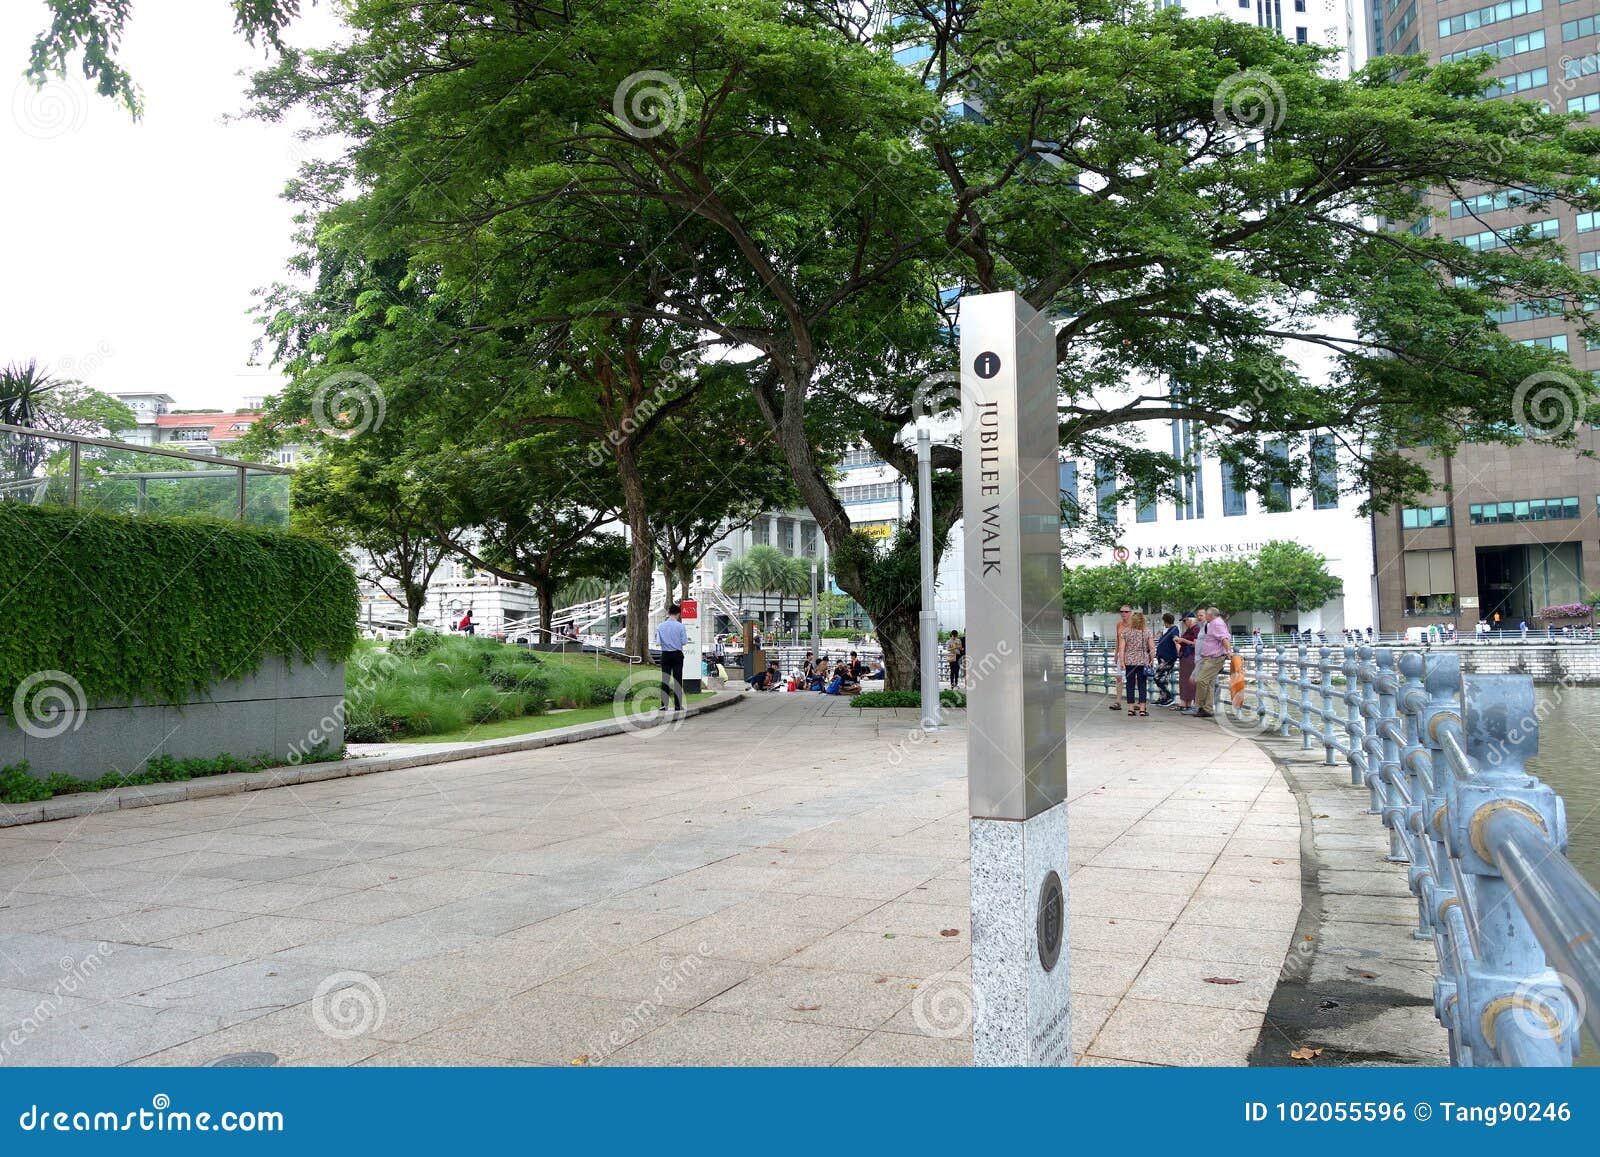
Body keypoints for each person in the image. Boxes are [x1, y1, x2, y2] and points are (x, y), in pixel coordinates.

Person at [1192, 606, 1233, 719]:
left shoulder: (1217, 624)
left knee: (1201, 680)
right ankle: (1207, 708)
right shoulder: (1214, 623)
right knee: (1209, 684)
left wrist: (1229, 651)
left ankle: (1200, 705)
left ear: (1211, 615)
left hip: (1214, 658)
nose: (1205, 617)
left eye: (1207, 615)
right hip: (1211, 657)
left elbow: (1224, 638)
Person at [1121, 611, 1155, 717]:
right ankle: (1142, 709)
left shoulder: (1125, 632)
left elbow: (1122, 649)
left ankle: (1131, 708)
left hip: (1129, 661)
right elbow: (1152, 648)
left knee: (1130, 684)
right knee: (1142, 684)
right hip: (1143, 662)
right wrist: (1152, 659)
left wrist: (1122, 662)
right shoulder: (1147, 632)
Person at [655, 603, 687, 711]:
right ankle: (678, 705)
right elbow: (684, 641)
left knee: (665, 679)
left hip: (665, 654)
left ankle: (664, 705)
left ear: (668, 613)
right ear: (678, 614)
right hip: (677, 654)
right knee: (677, 679)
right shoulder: (681, 626)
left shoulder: (660, 626)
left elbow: (658, 642)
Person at [1173, 613, 1200, 711]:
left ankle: (1186, 703)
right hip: (1185, 656)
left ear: (1190, 620)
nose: (1184, 623)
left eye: (1185, 621)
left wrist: (1183, 640)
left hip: (1190, 657)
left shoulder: (1196, 629)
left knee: (1187, 680)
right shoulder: (1189, 630)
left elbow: (1196, 644)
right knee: (1184, 680)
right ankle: (1185, 703)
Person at [1153, 612, 1179, 706]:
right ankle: (1163, 698)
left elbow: (1175, 638)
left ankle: (1169, 696)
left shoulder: (1174, 629)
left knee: (1157, 677)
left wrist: (1177, 644)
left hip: (1168, 658)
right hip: (1162, 657)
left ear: (1166, 621)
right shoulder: (1166, 630)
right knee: (1163, 678)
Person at [1109, 605, 1132, 710]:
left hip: (1132, 655)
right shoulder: (1119, 624)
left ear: (1130, 612)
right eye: (1121, 611)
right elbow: (1118, 640)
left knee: (1133, 678)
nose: (1123, 613)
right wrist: (1116, 653)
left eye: (1126, 611)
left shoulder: (1135, 624)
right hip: (1121, 655)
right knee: (1119, 677)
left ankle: (1134, 702)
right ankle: (1118, 701)